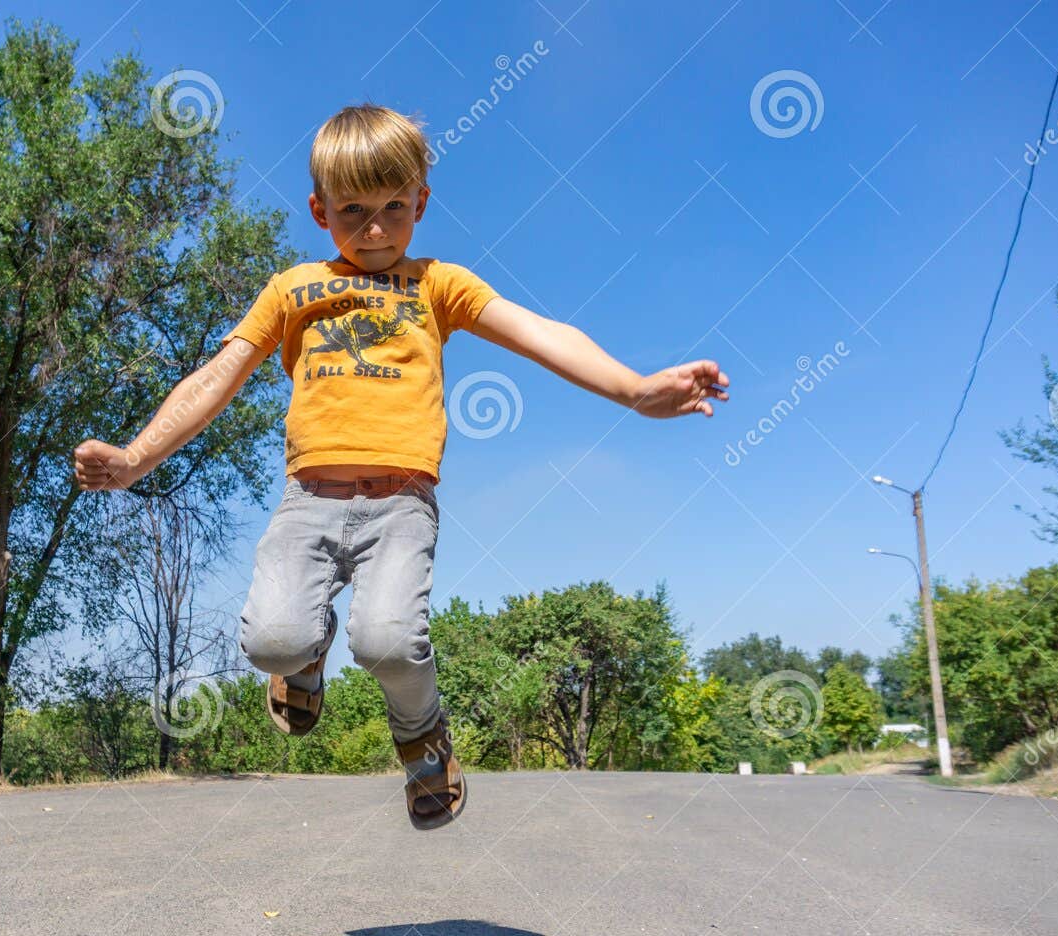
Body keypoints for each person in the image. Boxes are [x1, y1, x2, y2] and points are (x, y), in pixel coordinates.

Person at [74, 104, 729, 830]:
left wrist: (634, 390)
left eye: (394, 207)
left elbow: (540, 332)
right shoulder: (292, 290)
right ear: (321, 211)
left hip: (401, 505)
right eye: (354, 210)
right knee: (272, 641)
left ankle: (422, 741)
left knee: (387, 640)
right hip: (308, 501)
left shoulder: (437, 285)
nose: (376, 229)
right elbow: (216, 377)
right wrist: (135, 456)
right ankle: (302, 668)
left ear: (421, 201)